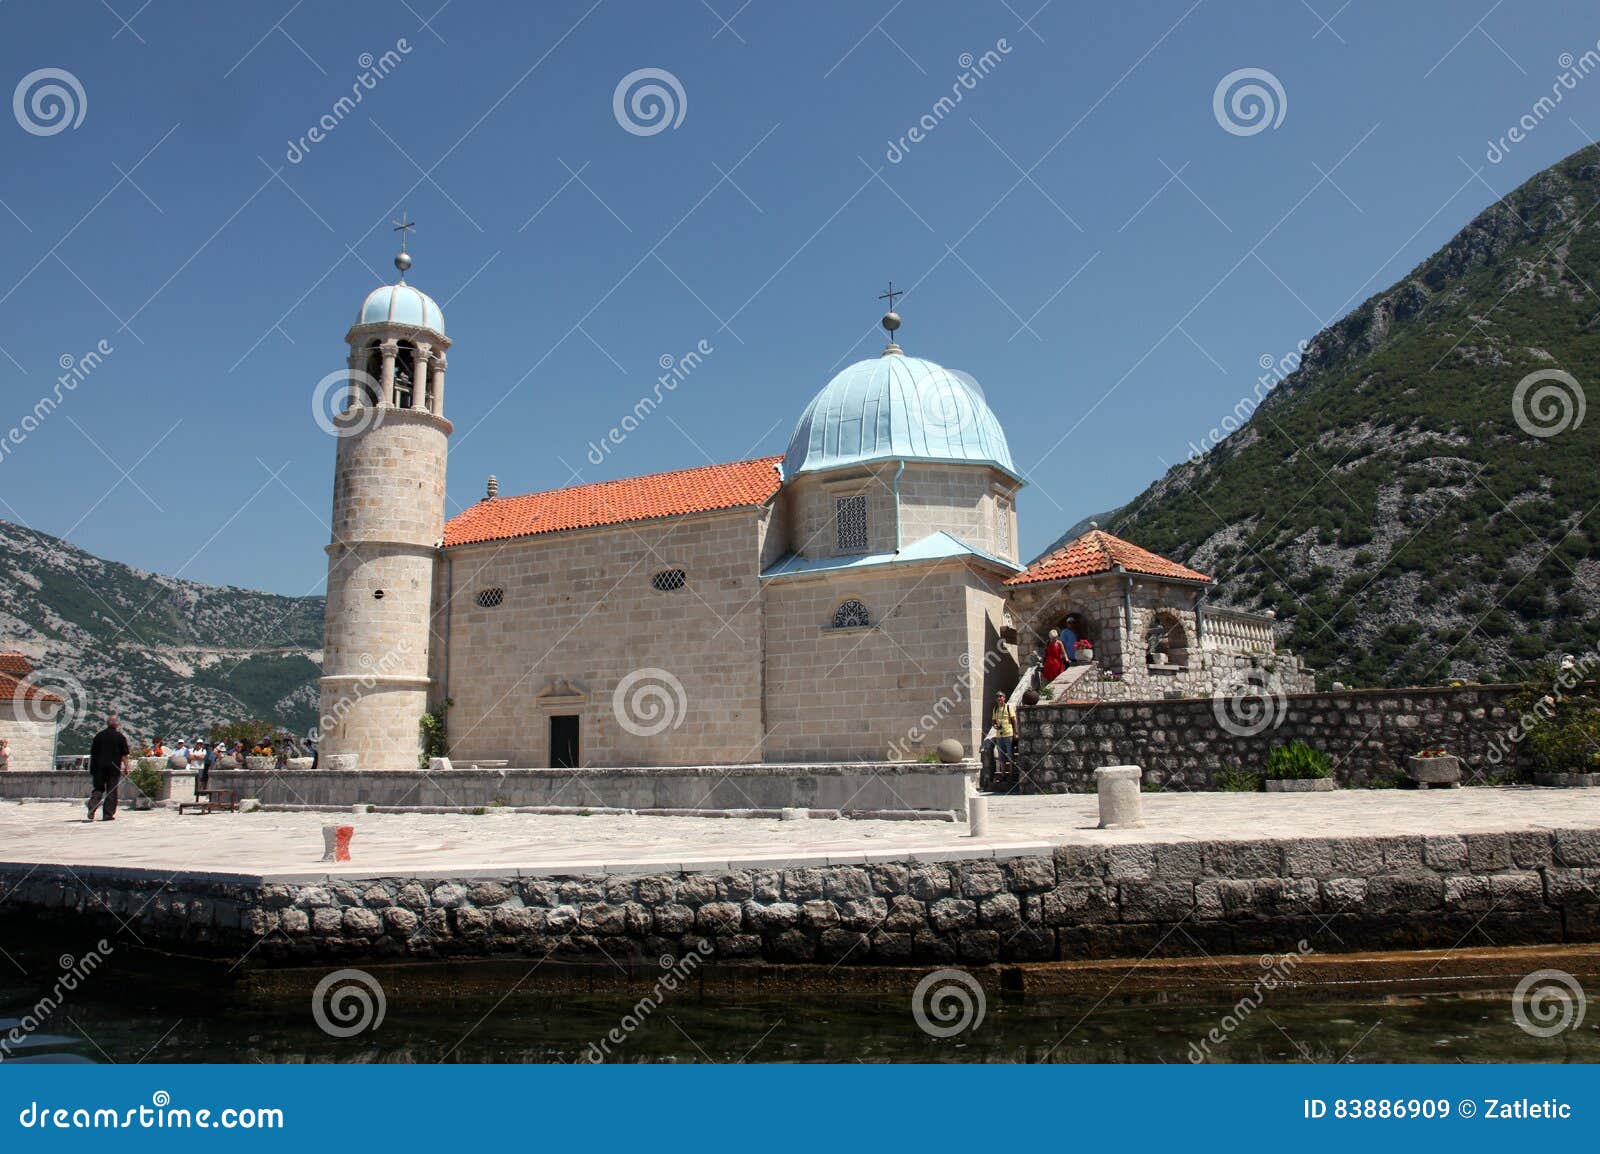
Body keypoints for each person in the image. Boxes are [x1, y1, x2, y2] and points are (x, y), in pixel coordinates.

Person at [87, 714, 130, 822]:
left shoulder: (99, 736)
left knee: (98, 788)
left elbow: (93, 753)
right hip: (113, 768)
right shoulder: (120, 737)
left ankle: (92, 806)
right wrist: (127, 767)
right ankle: (108, 814)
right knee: (111, 791)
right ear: (117, 724)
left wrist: (92, 768)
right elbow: (124, 755)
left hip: (98, 767)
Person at [989, 690, 1017, 787]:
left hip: (1008, 734)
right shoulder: (995, 709)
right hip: (999, 735)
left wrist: (1016, 732)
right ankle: (1004, 774)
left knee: (1010, 754)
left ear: (1004, 698)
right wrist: (995, 726)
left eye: (1001, 696)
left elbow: (1014, 720)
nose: (999, 698)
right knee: (1001, 756)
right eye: (997, 696)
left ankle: (1011, 774)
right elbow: (993, 721)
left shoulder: (1008, 707)